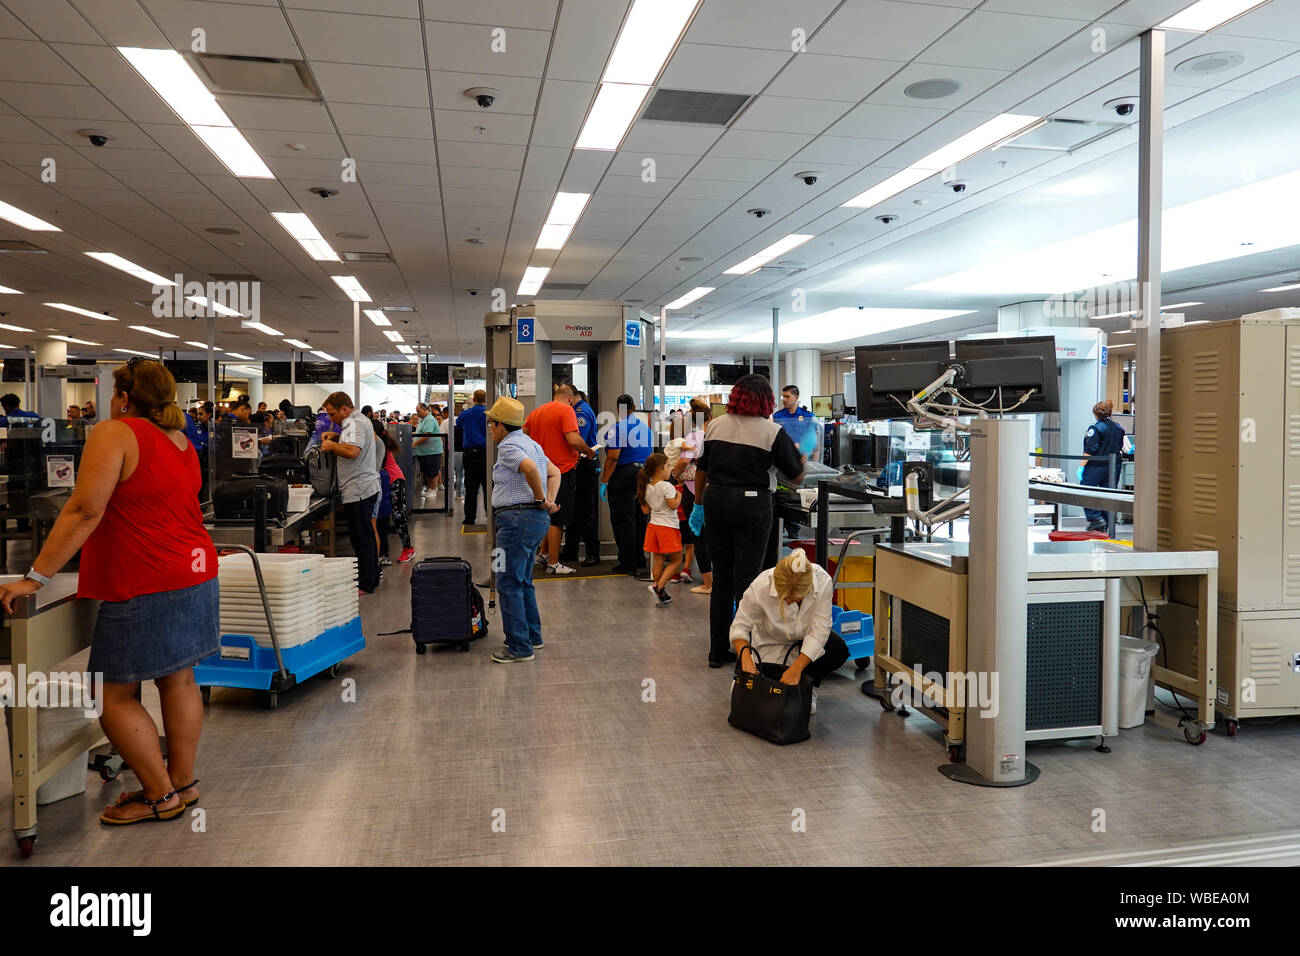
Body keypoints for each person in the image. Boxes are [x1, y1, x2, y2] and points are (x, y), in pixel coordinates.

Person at [0, 358, 218, 824]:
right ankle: (182, 782)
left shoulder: (114, 433)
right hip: (194, 570)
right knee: (178, 679)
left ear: (122, 397)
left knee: (111, 695)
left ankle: (159, 797)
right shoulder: (181, 440)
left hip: (144, 579)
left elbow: (83, 510)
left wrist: (33, 577)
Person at [692, 374, 804, 668]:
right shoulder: (772, 431)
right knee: (749, 580)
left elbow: (701, 470)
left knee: (722, 580)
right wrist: (800, 453)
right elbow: (796, 474)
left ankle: (718, 651)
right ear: (765, 400)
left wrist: (698, 504)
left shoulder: (716, 425)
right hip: (752, 504)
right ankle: (748, 653)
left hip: (716, 501)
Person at [485, 397, 560, 664]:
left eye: (490, 424)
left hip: (516, 520)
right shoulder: (532, 444)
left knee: (507, 582)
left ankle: (519, 646)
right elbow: (555, 473)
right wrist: (548, 502)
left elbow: (529, 470)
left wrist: (541, 499)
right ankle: (532, 636)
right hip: (533, 521)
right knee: (523, 580)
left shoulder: (509, 446)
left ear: (500, 426)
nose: (490, 430)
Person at [731, 550, 849, 715]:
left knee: (837, 649)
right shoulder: (761, 585)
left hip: (804, 640)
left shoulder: (822, 581)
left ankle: (808, 684)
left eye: (794, 599)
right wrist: (745, 659)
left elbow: (820, 630)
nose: (787, 602)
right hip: (770, 642)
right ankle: (785, 679)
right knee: (761, 699)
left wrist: (797, 669)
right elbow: (740, 625)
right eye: (782, 596)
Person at [524, 384, 594, 575]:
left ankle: (544, 552)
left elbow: (524, 433)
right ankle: (554, 563)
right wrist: (588, 451)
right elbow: (573, 439)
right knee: (557, 518)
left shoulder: (536, 412)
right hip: (561, 471)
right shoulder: (566, 411)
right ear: (570, 398)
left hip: (541, 470)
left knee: (546, 513)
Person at [320, 391, 381, 594]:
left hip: (359, 489)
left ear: (344, 409)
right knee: (367, 536)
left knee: (361, 538)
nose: (331, 419)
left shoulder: (352, 422)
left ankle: (365, 583)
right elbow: (356, 443)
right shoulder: (358, 421)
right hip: (364, 487)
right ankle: (372, 576)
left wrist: (331, 445)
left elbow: (353, 451)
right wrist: (337, 437)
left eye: (332, 414)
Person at [600, 395, 654, 578]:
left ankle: (627, 563)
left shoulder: (617, 429)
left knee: (623, 520)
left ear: (618, 409)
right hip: (642, 475)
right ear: (635, 406)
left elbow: (613, 457)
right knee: (640, 518)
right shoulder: (646, 429)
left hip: (624, 475)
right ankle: (640, 558)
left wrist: (604, 481)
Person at [674, 397, 713, 595]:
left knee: (698, 535)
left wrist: (674, 474)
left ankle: (708, 583)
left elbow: (683, 462)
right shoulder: (714, 435)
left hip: (693, 490)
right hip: (714, 490)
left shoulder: (692, 437)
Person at [561, 388, 601, 567]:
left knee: (585, 510)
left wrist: (574, 466)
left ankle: (593, 553)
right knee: (572, 509)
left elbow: (578, 441)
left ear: (572, 397)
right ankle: (570, 550)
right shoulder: (573, 410)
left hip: (583, 464)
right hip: (577, 465)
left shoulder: (581, 412)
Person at [637, 452, 683, 607]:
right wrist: (679, 496)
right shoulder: (666, 486)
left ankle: (660, 591)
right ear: (659, 469)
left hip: (653, 527)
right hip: (668, 527)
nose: (670, 469)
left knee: (658, 560)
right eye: (668, 466)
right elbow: (673, 505)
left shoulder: (647, 487)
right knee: (677, 560)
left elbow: (645, 511)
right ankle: (658, 587)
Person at [1081, 399, 1126, 532]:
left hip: (1096, 465)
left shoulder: (1095, 428)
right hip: (1113, 466)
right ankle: (1105, 522)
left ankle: (1095, 518)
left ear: (1095, 414)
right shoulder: (1119, 427)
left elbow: (1090, 449)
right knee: (1108, 493)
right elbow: (1120, 446)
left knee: (1086, 490)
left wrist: (1081, 466)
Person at [379, 429, 414, 563]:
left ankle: (408, 549)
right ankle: (384, 553)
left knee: (398, 516)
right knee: (386, 517)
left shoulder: (380, 446)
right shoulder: (381, 443)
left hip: (394, 481)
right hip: (388, 481)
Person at [456, 389, 488, 527]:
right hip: (486, 454)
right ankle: (490, 515)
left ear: (473, 399)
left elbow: (459, 425)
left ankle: (469, 519)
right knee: (488, 487)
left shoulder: (465, 414)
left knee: (470, 487)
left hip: (469, 454)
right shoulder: (489, 413)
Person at [412, 403, 443, 502]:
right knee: (428, 471)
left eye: (418, 411)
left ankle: (433, 489)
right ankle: (430, 488)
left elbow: (427, 435)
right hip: (425, 452)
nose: (417, 413)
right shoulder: (423, 420)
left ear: (424, 409)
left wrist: (415, 444)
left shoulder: (429, 419)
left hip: (432, 451)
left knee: (432, 471)